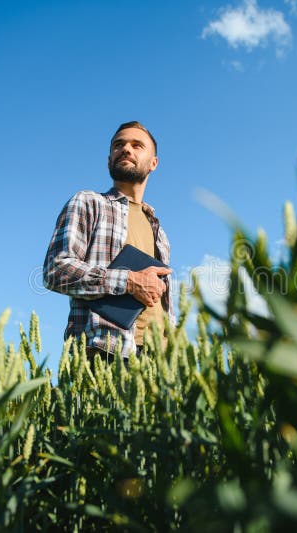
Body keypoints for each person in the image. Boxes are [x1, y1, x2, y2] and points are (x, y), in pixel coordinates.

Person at [43, 121, 173, 362]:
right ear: (109, 159)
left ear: (154, 163)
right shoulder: (89, 203)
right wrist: (129, 281)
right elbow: (55, 270)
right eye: (118, 145)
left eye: (137, 145)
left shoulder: (159, 230)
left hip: (161, 360)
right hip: (108, 351)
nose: (126, 149)